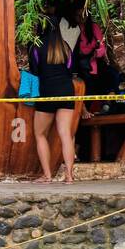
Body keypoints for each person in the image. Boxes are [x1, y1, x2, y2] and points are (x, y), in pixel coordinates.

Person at [28, 21, 78, 183]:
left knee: (40, 134)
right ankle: (69, 176)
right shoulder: (65, 47)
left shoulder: (36, 47)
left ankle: (47, 175)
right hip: (66, 91)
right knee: (65, 134)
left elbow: (34, 70)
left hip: (47, 91)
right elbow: (71, 69)